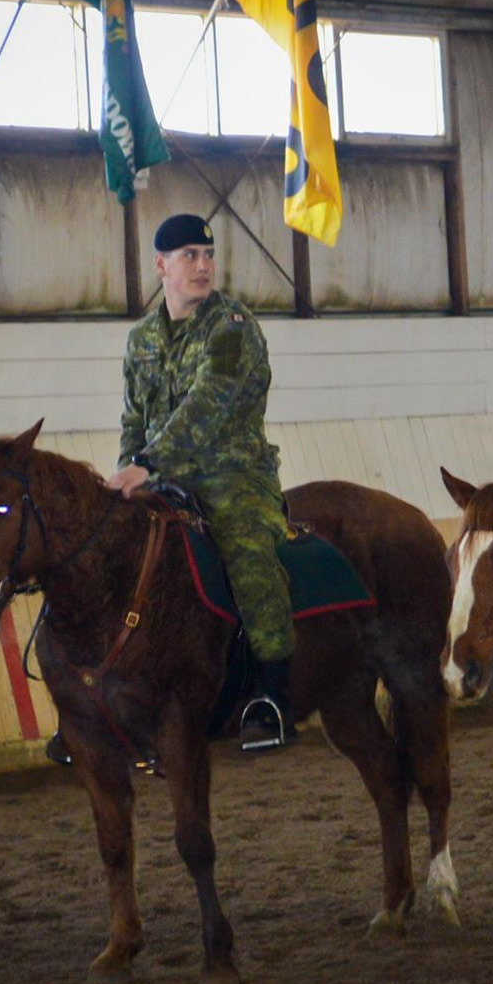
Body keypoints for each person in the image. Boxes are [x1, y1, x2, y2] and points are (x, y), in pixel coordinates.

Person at [111, 212, 295, 753]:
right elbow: (131, 418)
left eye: (208, 255)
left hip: (233, 475)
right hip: (160, 476)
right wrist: (129, 471)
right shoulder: (141, 339)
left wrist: (146, 462)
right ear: (160, 266)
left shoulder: (231, 327)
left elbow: (205, 407)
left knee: (247, 551)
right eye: (189, 256)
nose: (202, 266)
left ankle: (273, 693)